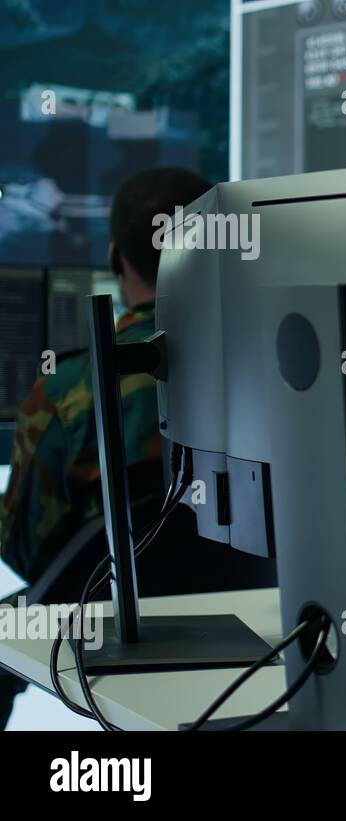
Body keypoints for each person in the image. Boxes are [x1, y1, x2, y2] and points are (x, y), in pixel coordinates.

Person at [0, 168, 211, 727]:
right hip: (266, 612)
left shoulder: (71, 390)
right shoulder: (291, 362)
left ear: (117, 258)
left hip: (107, 617)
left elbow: (25, 549)